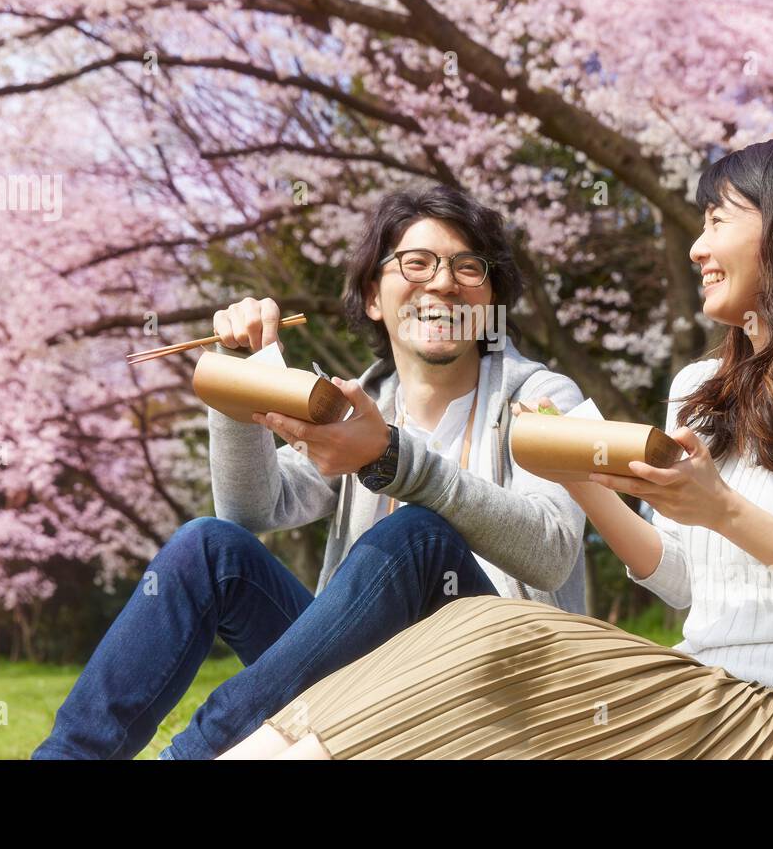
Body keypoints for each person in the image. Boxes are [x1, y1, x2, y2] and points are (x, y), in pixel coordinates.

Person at [217, 136, 773, 760]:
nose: (697, 246)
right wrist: (583, 478)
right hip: (701, 691)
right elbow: (686, 582)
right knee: (466, 626)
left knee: (492, 626)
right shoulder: (700, 387)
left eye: (718, 220)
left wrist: (723, 510)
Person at [32, 185, 587, 760]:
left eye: (468, 268)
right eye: (417, 263)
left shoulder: (544, 398)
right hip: (363, 694)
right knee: (208, 547)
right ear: (374, 295)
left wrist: (392, 459)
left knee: (418, 536)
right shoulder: (356, 404)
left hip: (495, 699)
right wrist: (244, 380)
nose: (442, 283)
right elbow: (252, 512)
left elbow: (552, 550)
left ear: (492, 298)